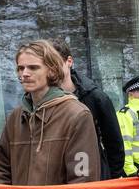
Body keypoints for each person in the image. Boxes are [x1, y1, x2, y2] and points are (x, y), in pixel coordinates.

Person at [0, 40, 101, 185]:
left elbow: (83, 180)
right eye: (20, 68)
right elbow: (1, 170)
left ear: (52, 70)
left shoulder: (77, 115)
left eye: (33, 67)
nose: (24, 74)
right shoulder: (16, 117)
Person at [53, 37, 123, 180]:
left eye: (55, 63)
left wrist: (110, 180)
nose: (51, 69)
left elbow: (114, 145)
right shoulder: (40, 100)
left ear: (69, 62)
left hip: (94, 177)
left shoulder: (96, 98)